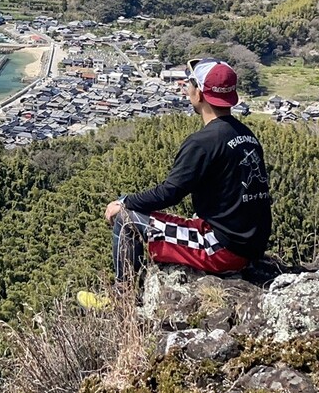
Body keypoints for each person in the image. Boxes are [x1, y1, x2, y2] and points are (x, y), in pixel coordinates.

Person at [100, 57, 272, 285]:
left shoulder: (203, 142)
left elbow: (169, 192)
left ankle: (122, 297)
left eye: (189, 83)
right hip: (249, 245)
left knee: (125, 218)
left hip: (222, 250)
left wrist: (124, 201)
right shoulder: (246, 135)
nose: (186, 88)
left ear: (199, 93)